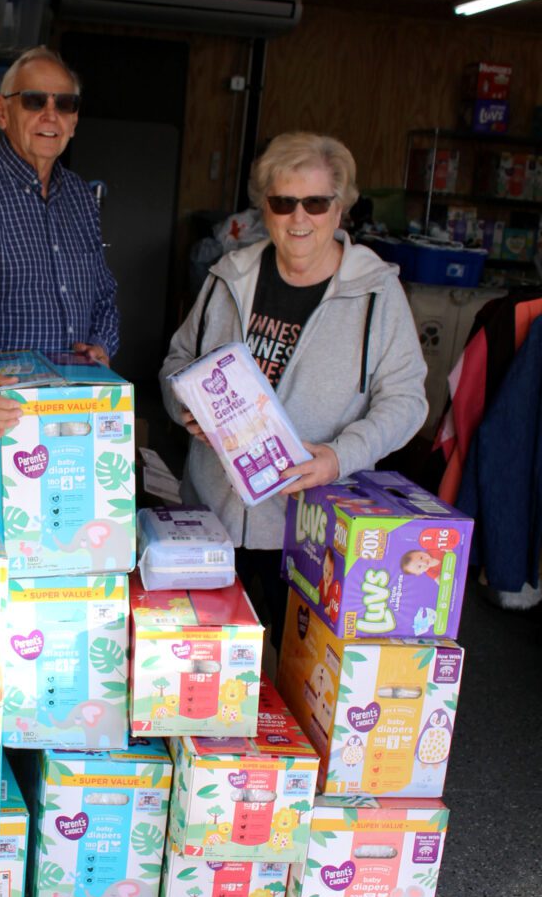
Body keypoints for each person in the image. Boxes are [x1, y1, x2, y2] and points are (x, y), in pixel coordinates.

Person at [160, 132, 428, 648]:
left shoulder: (376, 291)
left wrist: (340, 456)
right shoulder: (229, 276)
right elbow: (178, 361)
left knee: (303, 688)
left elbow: (407, 400)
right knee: (201, 670)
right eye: (283, 202)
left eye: (316, 202)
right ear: (266, 208)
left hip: (311, 526)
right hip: (212, 517)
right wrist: (183, 405)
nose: (298, 218)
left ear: (341, 208)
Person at [0, 46, 119, 481]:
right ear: (1, 111)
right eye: (35, 101)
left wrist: (102, 346)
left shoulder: (80, 199)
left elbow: (105, 293)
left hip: (61, 434)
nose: (50, 115)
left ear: (74, 120)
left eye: (64, 103)